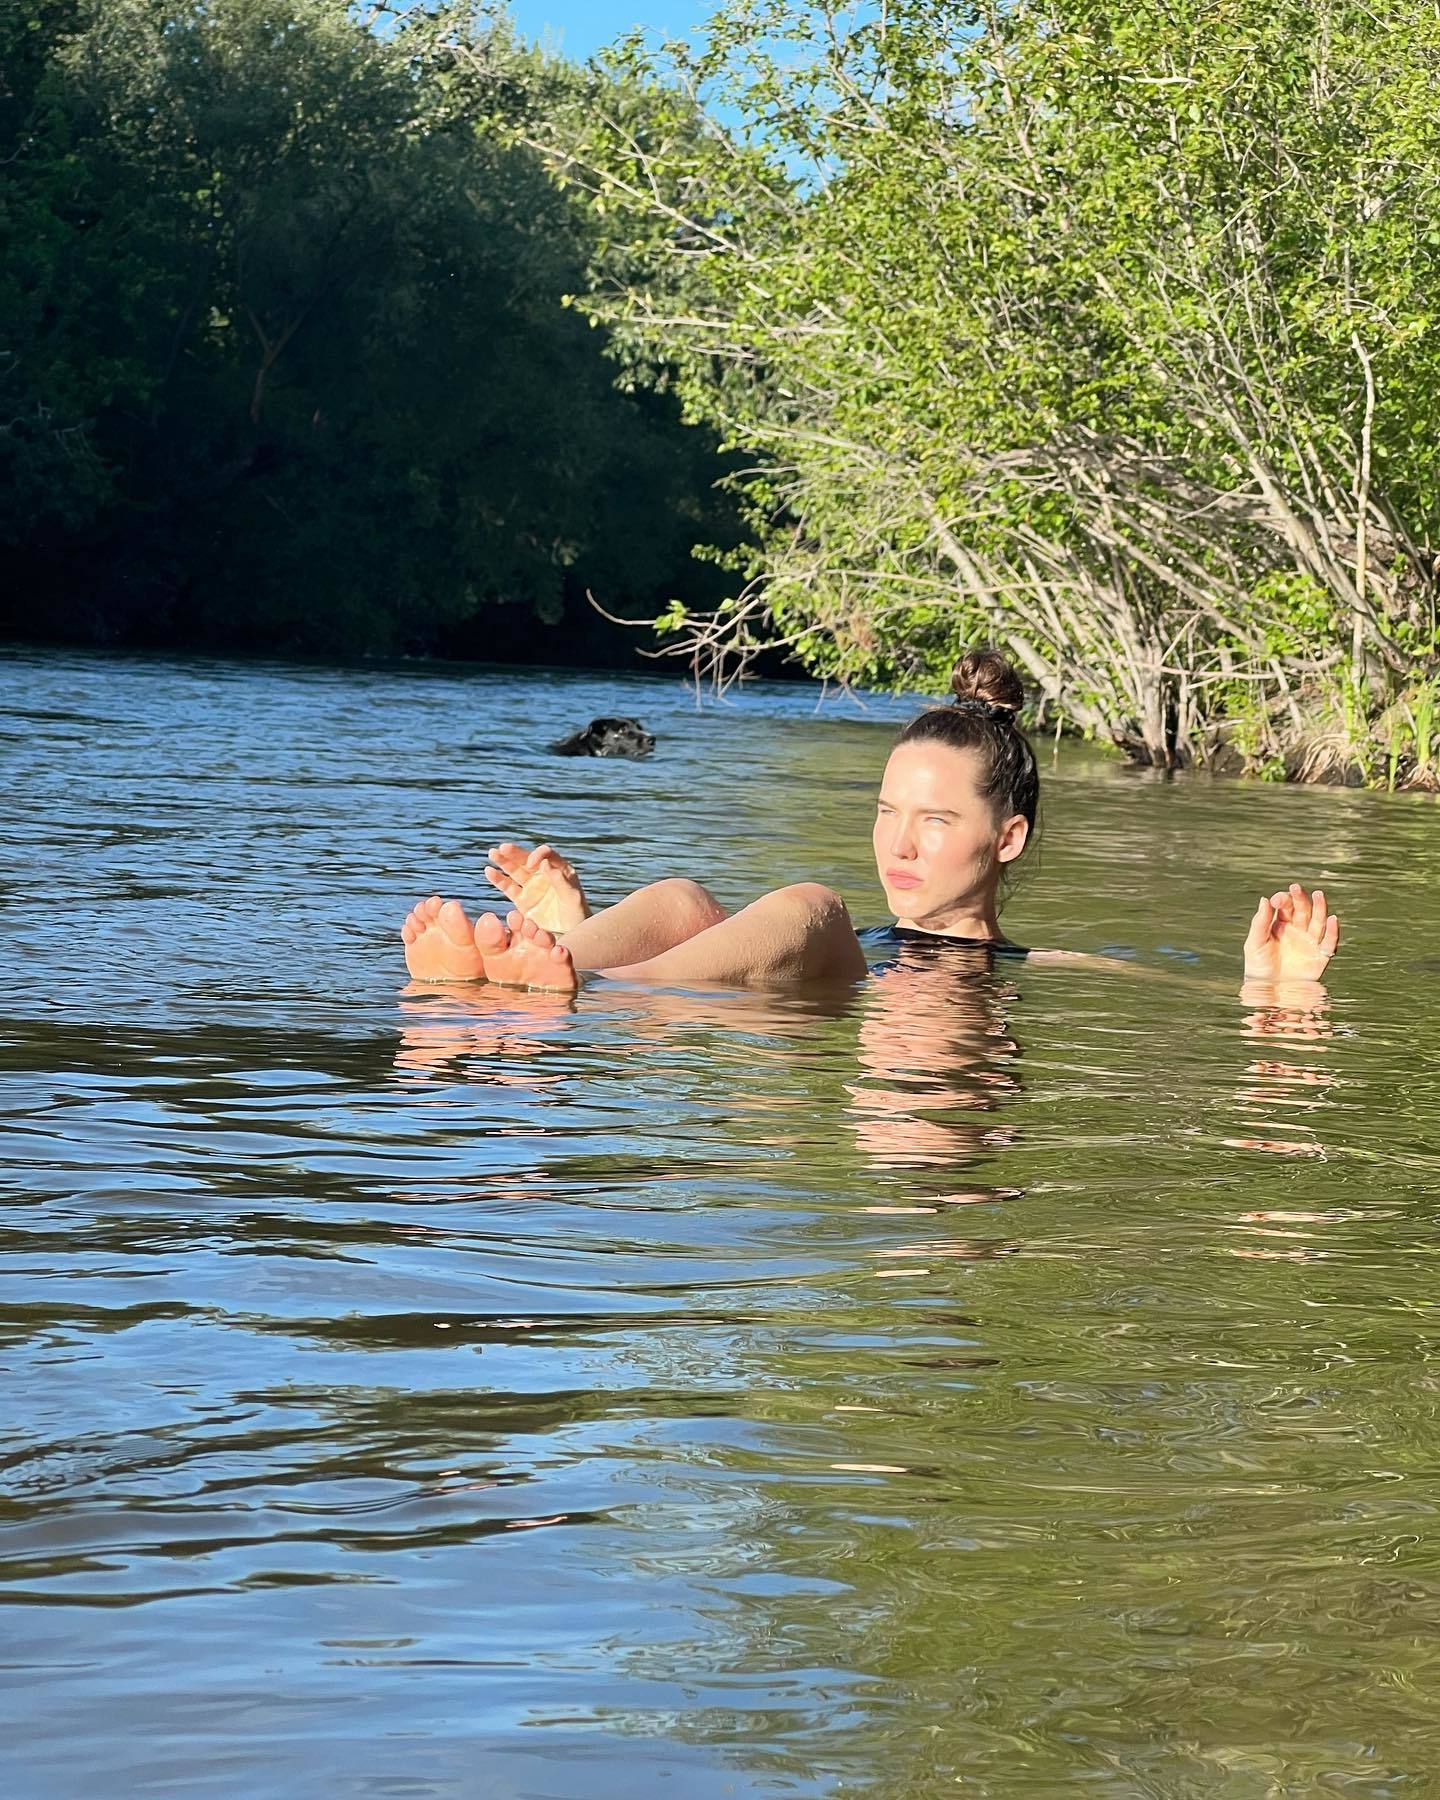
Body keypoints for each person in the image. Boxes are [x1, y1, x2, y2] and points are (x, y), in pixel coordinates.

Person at [399, 648, 1342, 994]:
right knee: (685, 893)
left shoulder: (1030, 969)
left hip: (815, 1023)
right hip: (756, 999)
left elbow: (1188, 1003)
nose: (896, 841)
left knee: (814, 902)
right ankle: (562, 955)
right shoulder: (872, 930)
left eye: (934, 820)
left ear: (1005, 839)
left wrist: (1276, 990)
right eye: (888, 811)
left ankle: (570, 984)